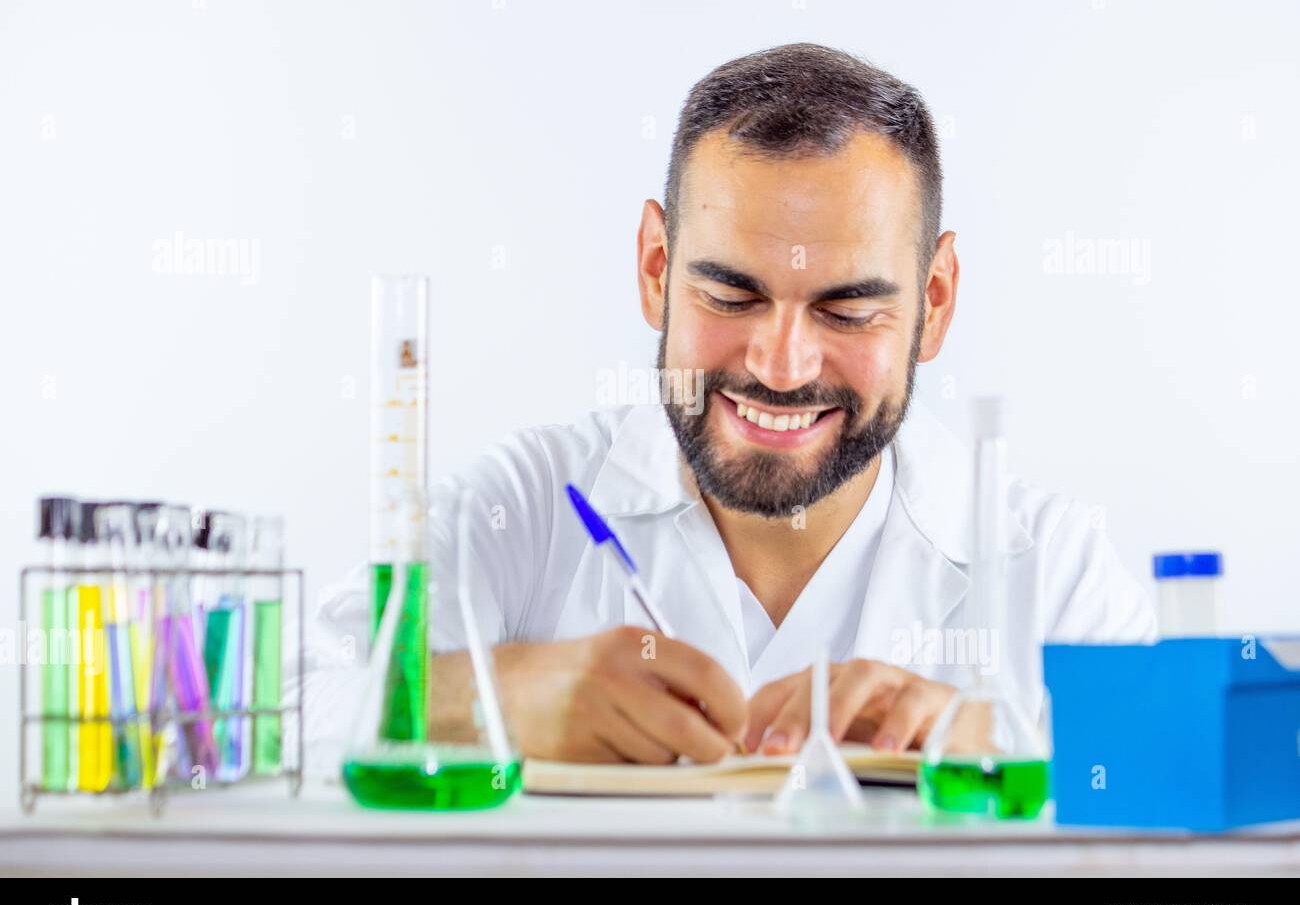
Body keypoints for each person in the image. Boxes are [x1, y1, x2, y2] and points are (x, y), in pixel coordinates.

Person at [304, 43, 1153, 773]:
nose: (780, 367)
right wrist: (491, 696)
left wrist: (1001, 731)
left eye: (848, 311)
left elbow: (1169, 777)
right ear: (654, 269)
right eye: (730, 295)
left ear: (935, 298)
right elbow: (295, 690)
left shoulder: (1056, 569)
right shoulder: (533, 508)